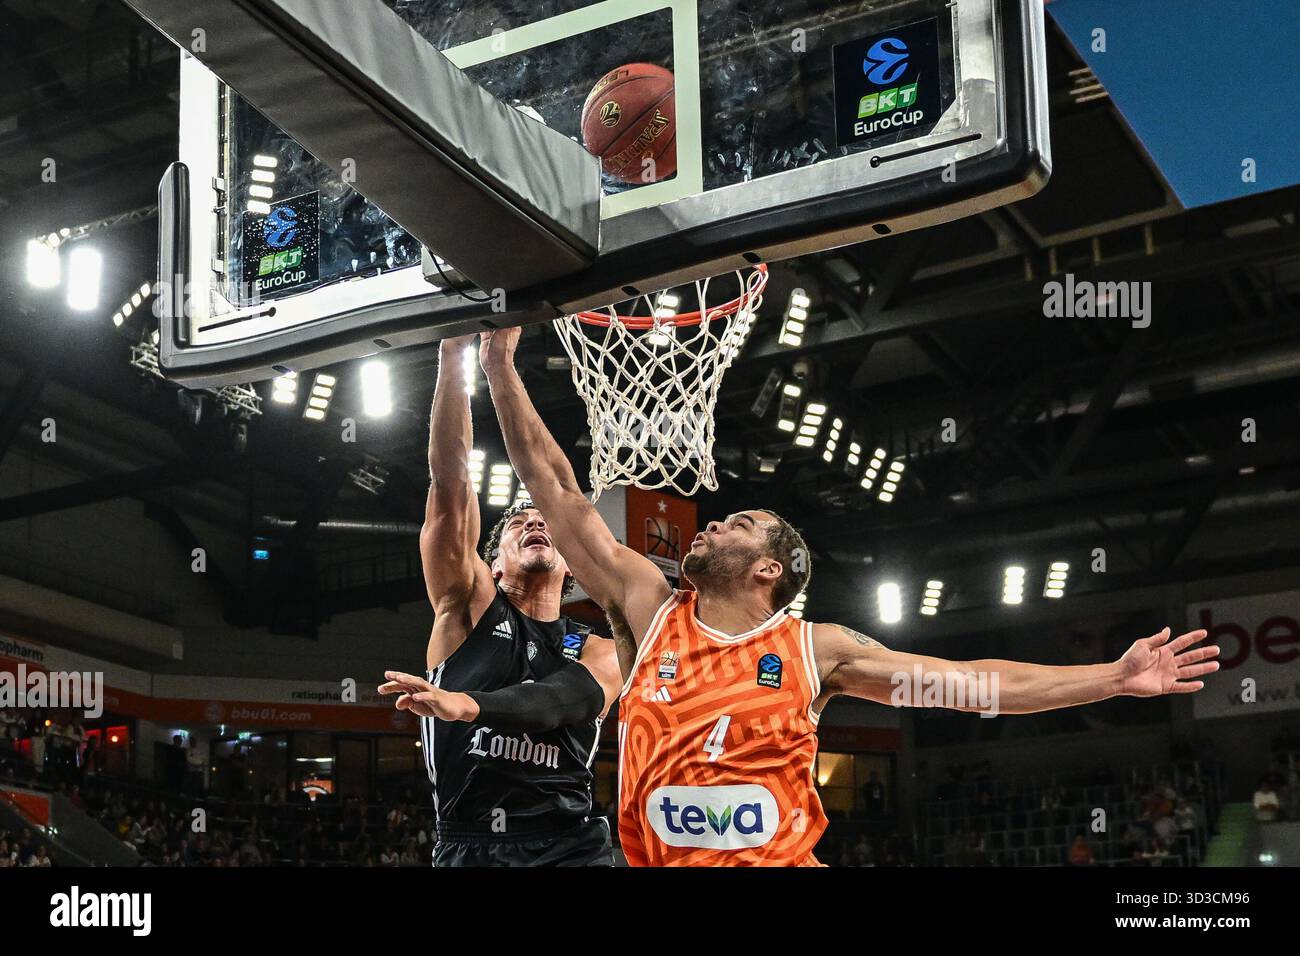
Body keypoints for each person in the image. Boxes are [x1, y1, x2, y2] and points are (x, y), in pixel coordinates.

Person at [474, 326, 1222, 866]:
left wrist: (1113, 680)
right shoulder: (648, 606)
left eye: (740, 524)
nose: (711, 525)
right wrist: (498, 363)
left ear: (769, 570)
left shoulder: (815, 649)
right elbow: (557, 489)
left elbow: (971, 687)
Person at [378, 334, 622, 867]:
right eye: (518, 521)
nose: (537, 521)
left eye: (546, 520)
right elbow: (449, 484)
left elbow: (557, 703)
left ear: (572, 563)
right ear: (494, 565)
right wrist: (452, 358)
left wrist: (469, 706)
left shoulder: (599, 650)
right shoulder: (467, 606)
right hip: (472, 845)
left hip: (570, 845)